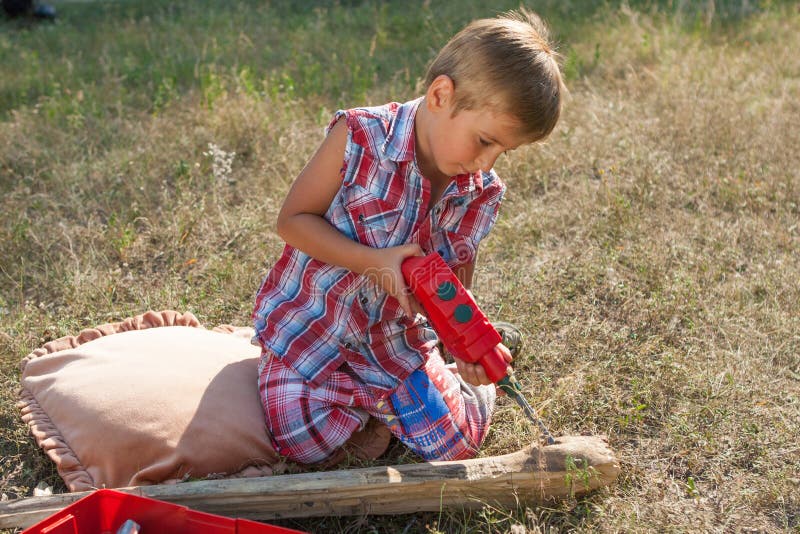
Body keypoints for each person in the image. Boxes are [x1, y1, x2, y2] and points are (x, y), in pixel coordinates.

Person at [252, 9, 564, 465]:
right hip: (313, 330)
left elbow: (454, 288)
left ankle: (450, 383)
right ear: (441, 94)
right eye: (483, 141)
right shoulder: (359, 137)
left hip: (392, 346)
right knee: (299, 439)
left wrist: (464, 346)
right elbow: (293, 220)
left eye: (503, 151)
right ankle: (379, 416)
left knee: (455, 445)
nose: (487, 163)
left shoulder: (478, 192)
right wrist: (374, 262)